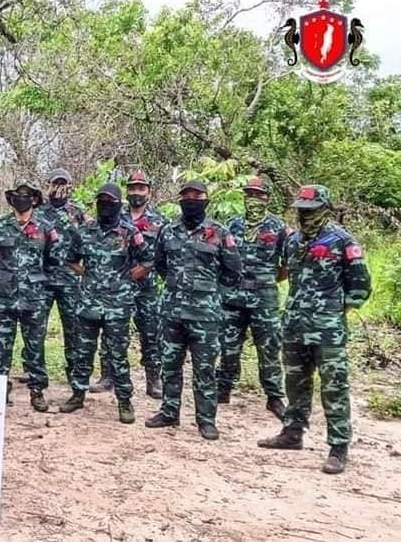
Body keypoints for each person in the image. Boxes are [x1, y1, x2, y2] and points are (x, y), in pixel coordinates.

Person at [258, 185, 371, 474]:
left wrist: (334, 312)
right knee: (296, 382)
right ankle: (292, 433)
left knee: (334, 385)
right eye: (301, 211)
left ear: (324, 209)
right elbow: (287, 274)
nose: (304, 216)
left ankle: (338, 446)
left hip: (327, 329)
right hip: (295, 324)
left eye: (310, 210)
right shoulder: (292, 241)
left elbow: (360, 287)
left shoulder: (342, 241)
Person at [145, 181, 241, 440]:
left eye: (196, 196)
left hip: (205, 315)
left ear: (206, 199)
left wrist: (211, 294)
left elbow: (233, 271)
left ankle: (206, 420)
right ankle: (169, 411)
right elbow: (160, 265)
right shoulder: (168, 231)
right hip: (172, 311)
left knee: (205, 369)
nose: (191, 200)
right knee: (170, 365)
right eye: (186, 196)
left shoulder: (218, 232)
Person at [60, 183, 152, 423]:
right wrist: (87, 275)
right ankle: (77, 394)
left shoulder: (129, 232)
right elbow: (70, 259)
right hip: (88, 303)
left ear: (119, 204)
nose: (105, 205)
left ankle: (124, 401)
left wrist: (127, 279)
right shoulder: (84, 231)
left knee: (117, 354)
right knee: (83, 352)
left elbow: (147, 261)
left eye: (110, 201)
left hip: (117, 305)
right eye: (101, 201)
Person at [0, 179, 65, 412]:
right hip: (3, 299)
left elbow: (53, 260)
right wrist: (3, 277)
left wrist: (39, 283)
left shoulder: (46, 228)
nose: (22, 199)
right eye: (18, 195)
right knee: (1, 348)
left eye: (27, 195)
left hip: (34, 299)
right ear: (11, 199)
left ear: (35, 200)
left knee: (35, 348)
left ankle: (37, 391)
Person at [216, 176, 287, 420]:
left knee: (268, 347)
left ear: (267, 198)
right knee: (228, 345)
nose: (253, 199)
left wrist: (265, 280)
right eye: (249, 194)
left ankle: (274, 396)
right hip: (233, 297)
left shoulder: (279, 228)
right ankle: (223, 388)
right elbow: (222, 258)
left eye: (258, 194)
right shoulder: (231, 225)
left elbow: (286, 266)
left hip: (264, 299)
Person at [33, 168, 85, 390]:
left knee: (73, 329)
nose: (59, 189)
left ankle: (74, 374)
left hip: (69, 279)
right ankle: (36, 373)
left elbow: (86, 242)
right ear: (48, 185)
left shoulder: (78, 213)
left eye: (63, 184)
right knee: (36, 329)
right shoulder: (37, 212)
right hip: (42, 279)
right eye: (55, 184)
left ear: (70, 186)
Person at [119, 170, 166, 399]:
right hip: (118, 286)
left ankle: (153, 378)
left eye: (141, 188)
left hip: (147, 287)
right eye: (132, 188)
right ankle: (109, 375)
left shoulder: (159, 221)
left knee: (150, 332)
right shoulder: (115, 216)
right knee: (114, 331)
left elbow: (163, 254)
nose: (136, 192)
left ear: (149, 191)